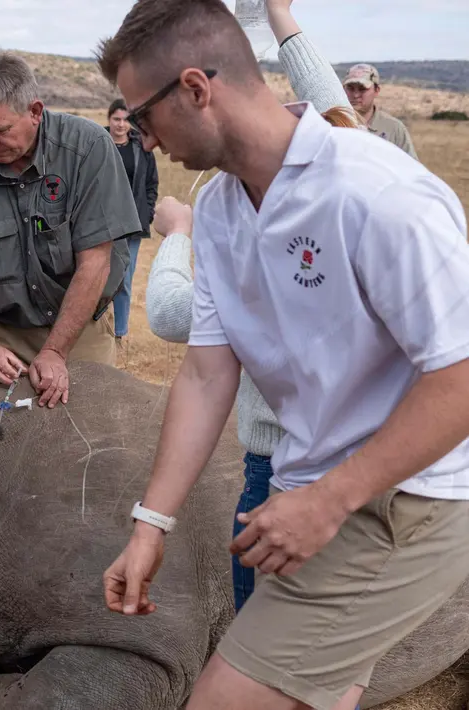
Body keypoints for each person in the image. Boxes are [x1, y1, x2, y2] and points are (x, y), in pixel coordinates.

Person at [97, 3, 469, 710]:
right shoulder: (220, 212)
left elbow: (460, 372)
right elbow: (207, 374)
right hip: (305, 491)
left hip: (405, 499)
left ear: (196, 90)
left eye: (141, 117)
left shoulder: (376, 193)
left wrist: (328, 501)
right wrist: (151, 525)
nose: (139, 140)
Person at [143, 0, 358, 613]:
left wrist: (178, 235)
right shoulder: (340, 173)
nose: (152, 141)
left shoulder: (225, 204)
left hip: (282, 458)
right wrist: (283, 18)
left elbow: (172, 316)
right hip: (345, 458)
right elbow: (336, 110)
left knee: (265, 632)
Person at [0, 52, 140, 409]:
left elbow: (95, 263)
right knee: (6, 445)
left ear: (35, 112)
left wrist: (56, 350)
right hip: (6, 334)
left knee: (89, 436)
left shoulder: (87, 150)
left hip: (81, 327)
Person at [105, 98, 158, 347]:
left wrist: (145, 215)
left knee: (124, 280)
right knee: (96, 277)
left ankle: (119, 332)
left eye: (125, 119)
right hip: (101, 223)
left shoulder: (141, 148)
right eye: (116, 119)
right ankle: (95, 331)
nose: (121, 124)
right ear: (109, 120)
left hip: (131, 224)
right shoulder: (98, 143)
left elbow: (151, 184)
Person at [342, 63, 418, 159]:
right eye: (350, 88)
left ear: (376, 90)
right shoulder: (333, 124)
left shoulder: (394, 129)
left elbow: (411, 168)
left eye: (362, 89)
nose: (356, 95)